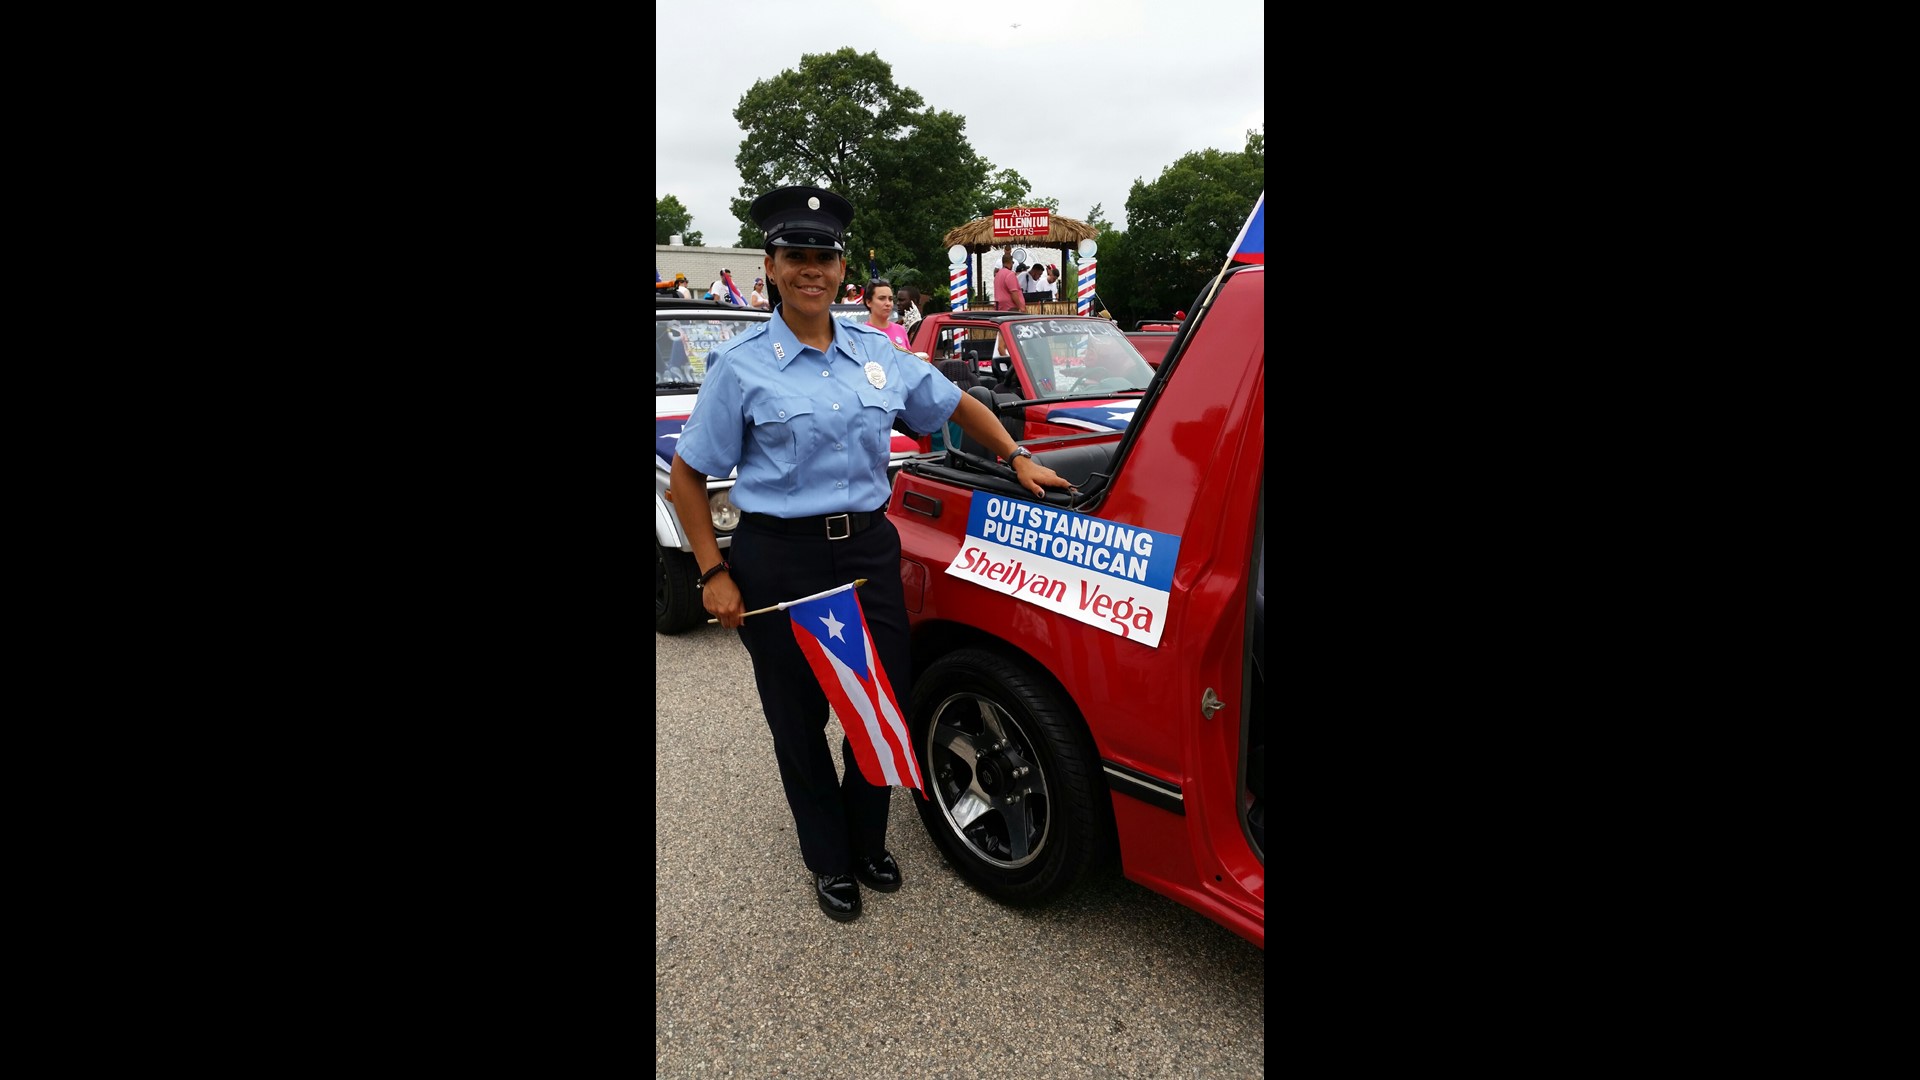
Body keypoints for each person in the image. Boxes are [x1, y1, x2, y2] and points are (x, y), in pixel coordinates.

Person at [668, 185, 1073, 924]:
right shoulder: (740, 365)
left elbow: (953, 404)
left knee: (877, 703)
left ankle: (868, 840)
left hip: (866, 553)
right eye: (796, 256)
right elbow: (688, 477)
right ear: (771, 267)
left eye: (824, 257)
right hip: (777, 559)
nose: (811, 270)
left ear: (842, 268)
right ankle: (828, 858)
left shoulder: (877, 353)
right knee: (797, 718)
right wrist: (713, 572)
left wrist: (1017, 457)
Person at [862, 280, 911, 349]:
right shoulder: (861, 334)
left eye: (890, 299)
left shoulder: (900, 330)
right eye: (882, 298)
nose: (888, 303)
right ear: (868, 302)